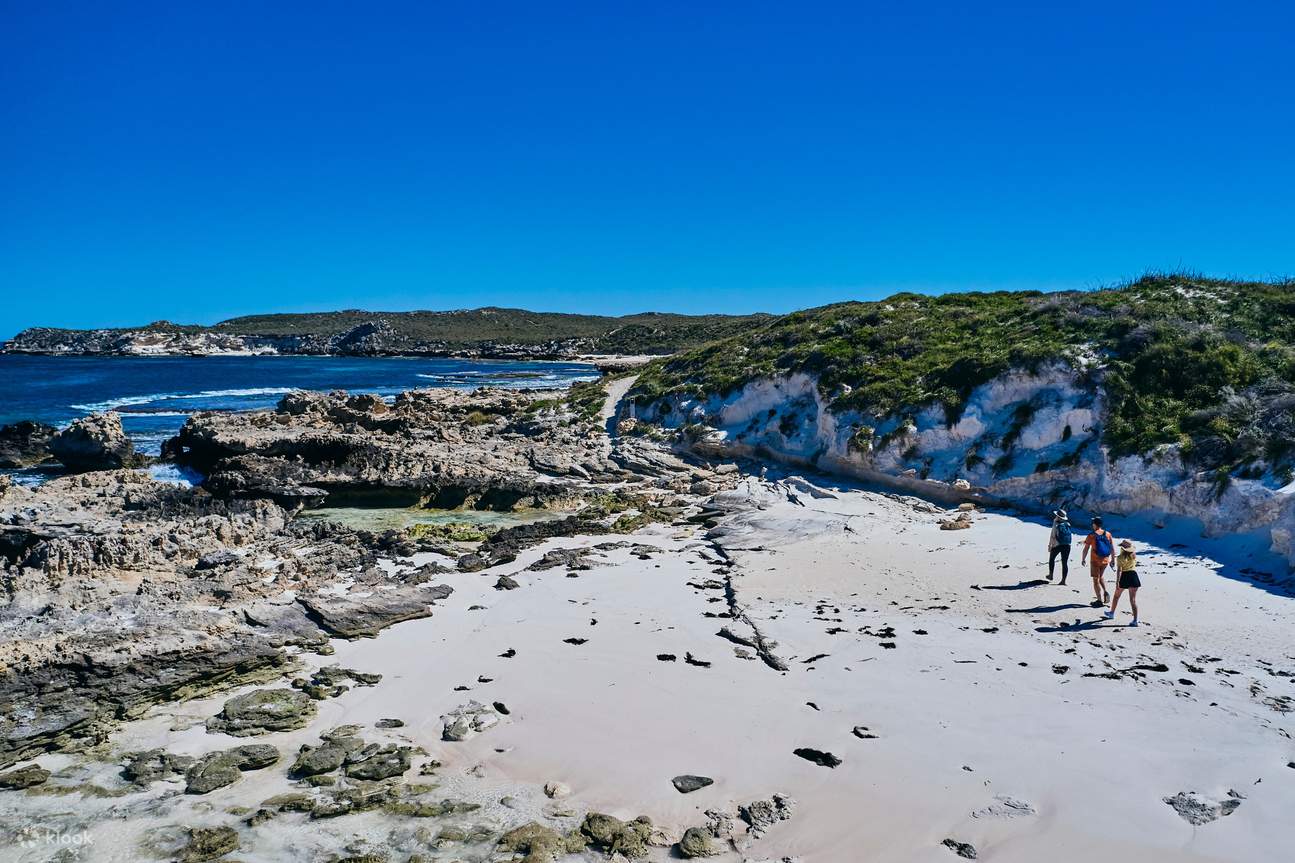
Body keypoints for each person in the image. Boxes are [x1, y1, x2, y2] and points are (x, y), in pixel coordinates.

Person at [1080, 516, 1115, 606]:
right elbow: (1112, 548)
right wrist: (1113, 560)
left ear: (1095, 524)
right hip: (1105, 560)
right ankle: (1105, 591)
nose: (1092, 525)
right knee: (1101, 576)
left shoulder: (1091, 535)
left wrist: (1083, 559)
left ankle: (1099, 600)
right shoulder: (1108, 534)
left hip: (1095, 560)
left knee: (1095, 580)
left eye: (1093, 523)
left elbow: (1086, 548)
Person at [1104, 539, 1140, 626]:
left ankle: (1112, 613)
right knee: (1133, 600)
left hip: (1125, 576)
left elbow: (1119, 571)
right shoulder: (1134, 555)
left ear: (1122, 548)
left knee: (1116, 596)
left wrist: (1117, 582)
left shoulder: (1120, 558)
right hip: (1134, 575)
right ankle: (1135, 620)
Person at [1046, 509, 1072, 584]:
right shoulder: (1068, 524)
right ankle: (1063, 581)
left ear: (1057, 516)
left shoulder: (1056, 524)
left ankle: (1051, 575)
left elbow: (1053, 536)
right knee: (1064, 563)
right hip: (1067, 545)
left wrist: (1050, 545)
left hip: (1057, 544)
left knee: (1052, 558)